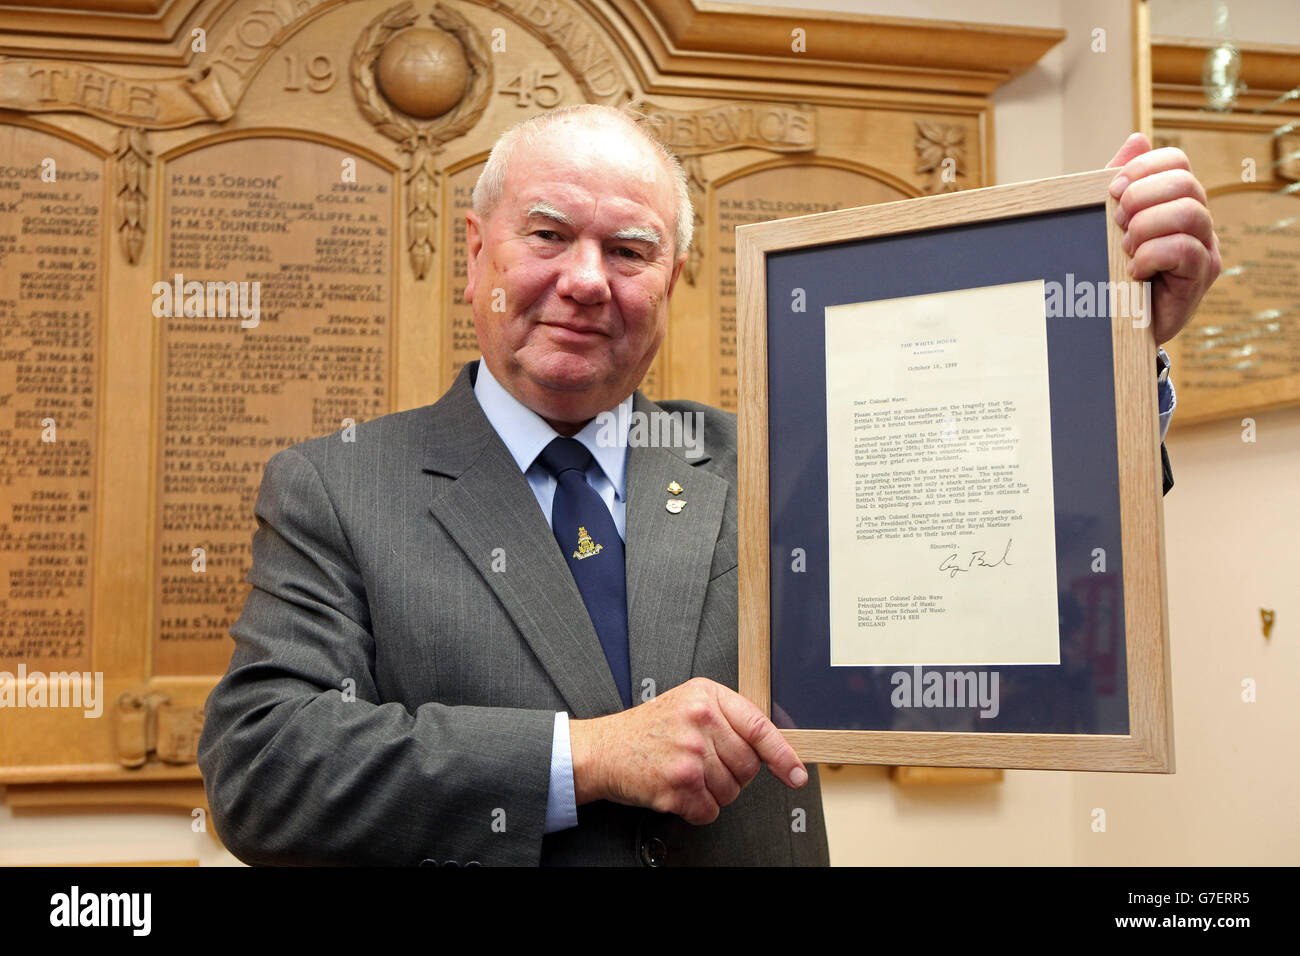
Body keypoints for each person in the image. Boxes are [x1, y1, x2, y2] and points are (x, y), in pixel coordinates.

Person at [197, 105, 1219, 866]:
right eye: (548, 234)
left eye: (630, 249)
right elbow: (264, 765)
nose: (588, 278)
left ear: (673, 281)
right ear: (477, 254)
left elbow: (1012, 553)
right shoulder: (336, 487)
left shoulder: (769, 462)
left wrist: (1119, 343)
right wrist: (586, 756)